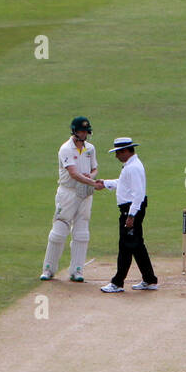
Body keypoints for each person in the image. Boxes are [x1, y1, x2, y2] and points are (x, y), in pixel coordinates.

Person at [41, 116, 101, 283]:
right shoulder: (66, 149)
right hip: (68, 193)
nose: (84, 134)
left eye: (86, 131)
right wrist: (93, 182)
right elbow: (73, 173)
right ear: (74, 131)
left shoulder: (90, 148)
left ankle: (77, 270)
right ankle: (48, 269)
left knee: (82, 232)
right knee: (59, 231)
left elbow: (94, 168)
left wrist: (92, 176)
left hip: (85, 193)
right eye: (81, 131)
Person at [98, 137, 158, 293]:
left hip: (131, 210)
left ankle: (117, 283)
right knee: (137, 245)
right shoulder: (131, 166)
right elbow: (124, 184)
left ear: (125, 151)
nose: (116, 156)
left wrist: (131, 216)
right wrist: (105, 183)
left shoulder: (133, 168)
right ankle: (149, 279)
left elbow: (138, 194)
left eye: (118, 152)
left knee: (126, 246)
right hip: (131, 209)